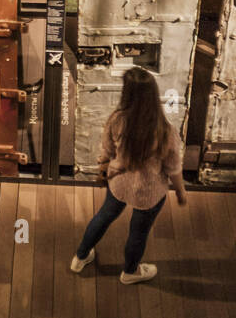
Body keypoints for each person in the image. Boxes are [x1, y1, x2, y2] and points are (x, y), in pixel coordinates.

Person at [70, 67, 187, 284]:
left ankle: (81, 256)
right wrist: (180, 192)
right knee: (138, 232)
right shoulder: (165, 131)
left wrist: (103, 171)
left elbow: (106, 151)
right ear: (153, 94)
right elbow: (173, 168)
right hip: (149, 193)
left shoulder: (117, 120)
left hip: (119, 184)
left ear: (127, 93)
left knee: (104, 217)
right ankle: (130, 272)